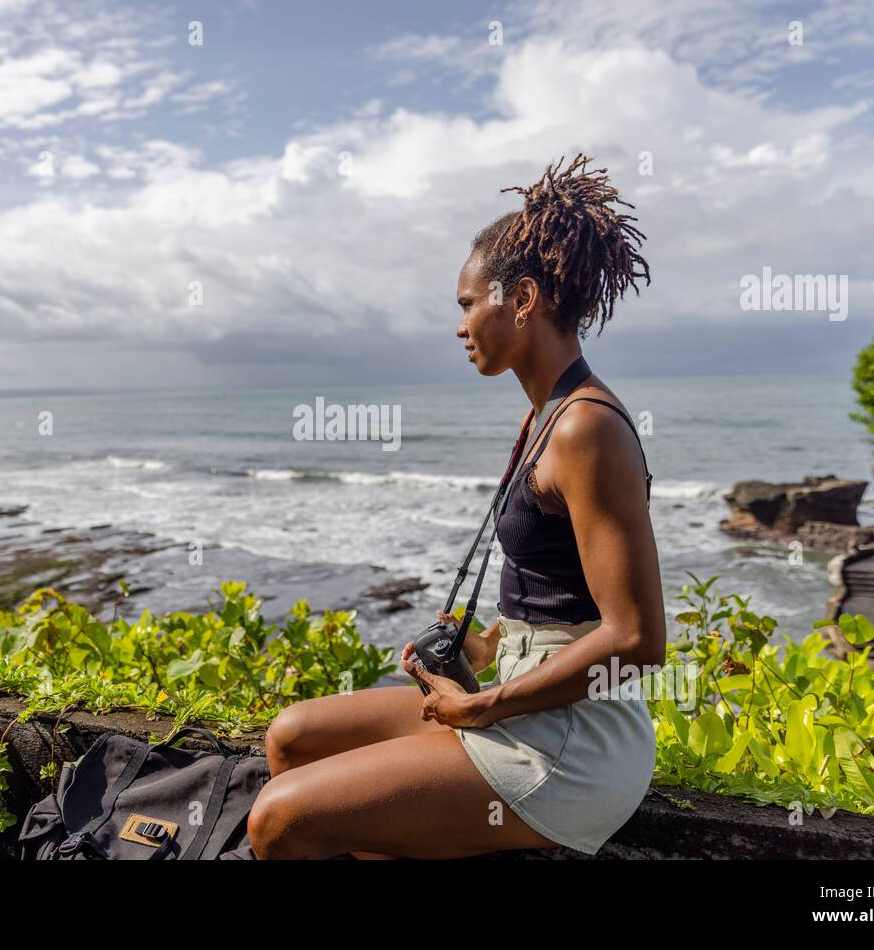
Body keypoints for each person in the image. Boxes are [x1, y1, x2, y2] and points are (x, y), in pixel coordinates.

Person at [247, 153, 665, 859]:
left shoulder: (586, 427)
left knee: (277, 820)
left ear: (523, 297)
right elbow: (565, 597)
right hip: (522, 692)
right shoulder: (545, 417)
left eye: (469, 304)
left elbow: (636, 640)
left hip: (573, 742)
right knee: (290, 736)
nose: (461, 325)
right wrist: (490, 644)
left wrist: (481, 705)